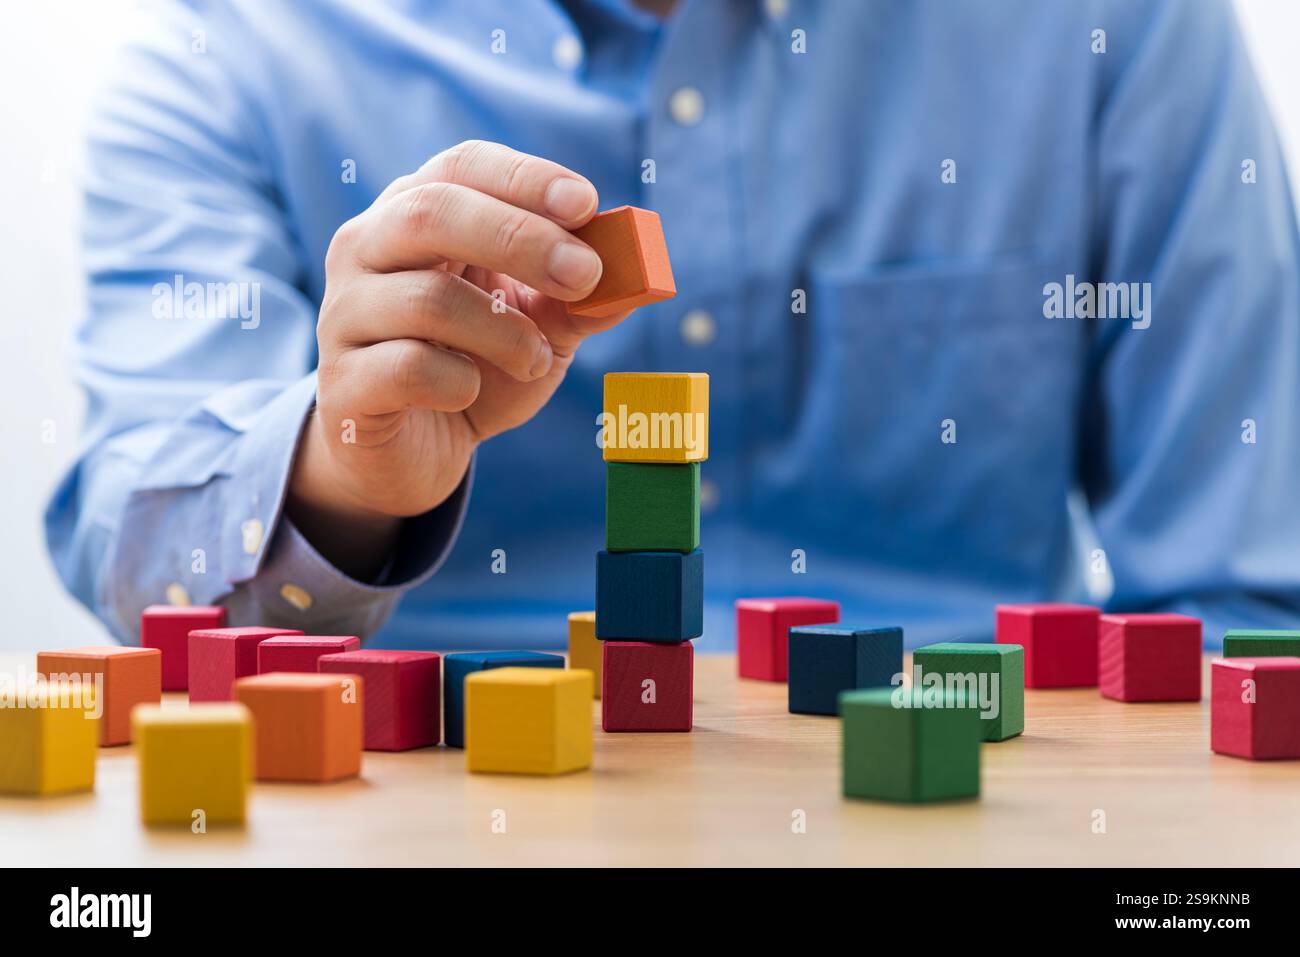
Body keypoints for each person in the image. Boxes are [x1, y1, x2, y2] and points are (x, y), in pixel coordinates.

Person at [45, 0, 1300, 651]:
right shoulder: (228, 52)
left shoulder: (1118, 28)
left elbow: (1248, 599)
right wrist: (342, 477)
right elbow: (138, 554)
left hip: (985, 787)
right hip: (429, 788)